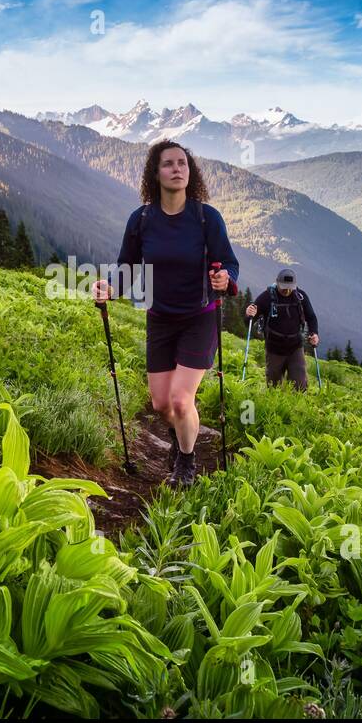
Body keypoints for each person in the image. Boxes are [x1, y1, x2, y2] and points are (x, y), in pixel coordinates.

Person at [92, 140, 239, 486]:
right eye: (168, 164)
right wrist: (110, 287)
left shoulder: (206, 217)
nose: (177, 169)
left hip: (199, 317)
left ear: (191, 172)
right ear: (155, 173)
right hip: (159, 318)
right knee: (160, 404)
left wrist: (225, 279)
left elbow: (229, 263)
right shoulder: (142, 219)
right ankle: (180, 440)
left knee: (180, 398)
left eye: (183, 164)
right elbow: (125, 266)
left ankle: (186, 464)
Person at [245, 268, 319, 391]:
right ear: (277, 282)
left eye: (290, 287)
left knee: (300, 386)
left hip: (295, 348)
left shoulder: (300, 297)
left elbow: (311, 317)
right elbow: (249, 322)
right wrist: (248, 314)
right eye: (284, 287)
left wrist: (314, 333)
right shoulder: (266, 297)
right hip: (274, 349)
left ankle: (296, 409)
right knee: (273, 387)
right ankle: (276, 409)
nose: (287, 290)